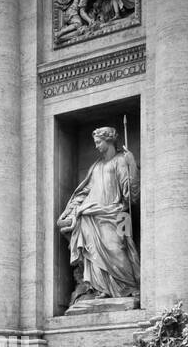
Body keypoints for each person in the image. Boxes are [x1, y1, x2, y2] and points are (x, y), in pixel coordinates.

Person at [57, 125, 140, 301]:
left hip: (114, 213)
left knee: (117, 249)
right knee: (93, 253)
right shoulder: (96, 166)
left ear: (108, 140)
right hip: (90, 215)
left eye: (98, 142)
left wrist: (131, 164)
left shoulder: (120, 161)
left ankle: (129, 286)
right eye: (94, 143)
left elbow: (130, 193)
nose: (96, 146)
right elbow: (84, 191)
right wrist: (70, 211)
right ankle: (102, 287)